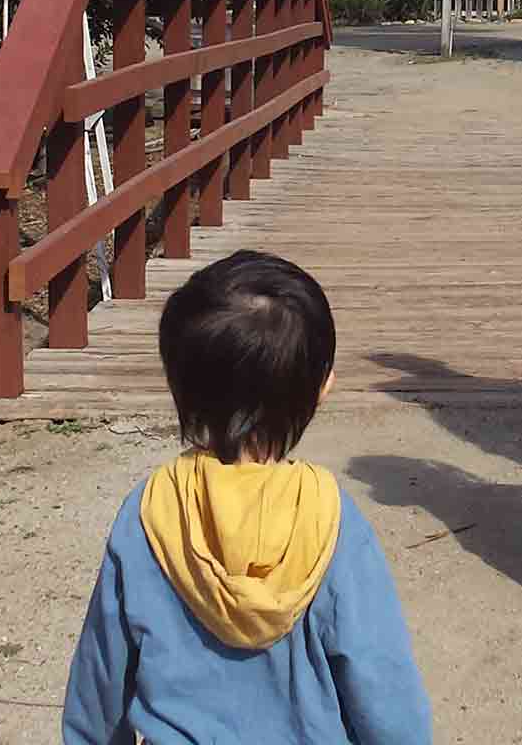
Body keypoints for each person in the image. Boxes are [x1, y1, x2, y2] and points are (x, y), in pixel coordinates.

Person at [63, 249, 432, 745]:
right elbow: (378, 674)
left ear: (181, 386)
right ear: (319, 390)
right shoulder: (329, 517)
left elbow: (103, 669)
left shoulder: (150, 510)